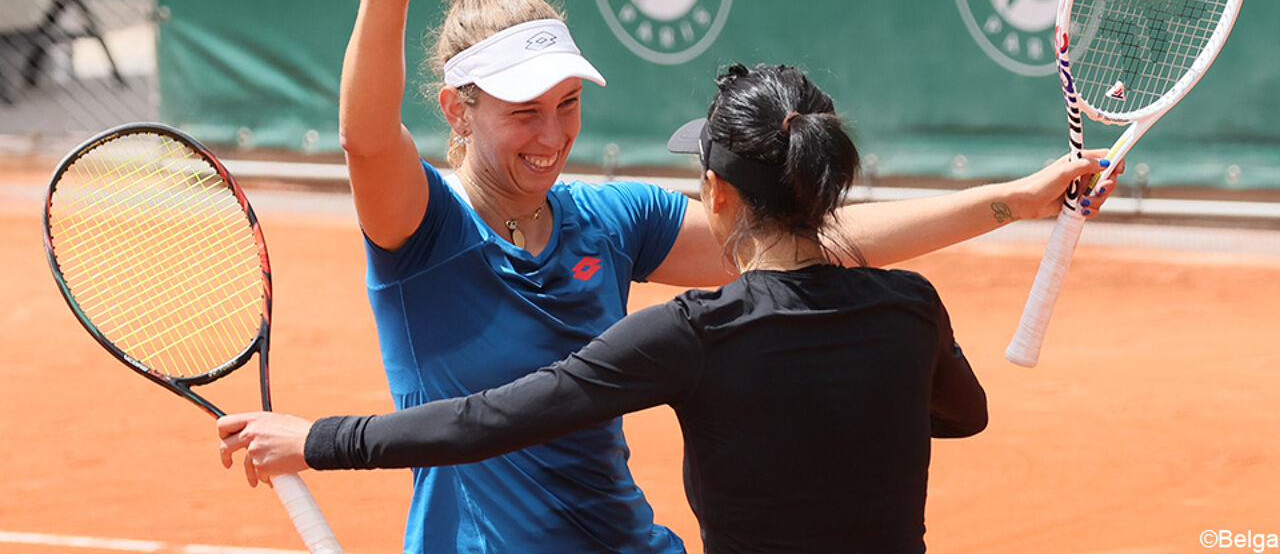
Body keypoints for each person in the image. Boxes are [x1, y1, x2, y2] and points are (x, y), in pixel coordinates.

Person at [250, 0, 1119, 554]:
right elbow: (366, 140)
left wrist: (1012, 201)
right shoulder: (420, 227)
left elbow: (805, 238)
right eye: (523, 112)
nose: (552, 136)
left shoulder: (611, 219)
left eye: (567, 104)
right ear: (458, 111)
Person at [220, 62, 988, 553]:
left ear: (717, 196)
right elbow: (963, 415)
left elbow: (488, 421)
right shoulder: (912, 308)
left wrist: (318, 439)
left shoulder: (693, 336)